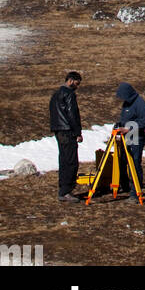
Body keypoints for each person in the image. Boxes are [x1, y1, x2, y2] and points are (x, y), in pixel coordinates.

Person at [49, 71, 83, 202]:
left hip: (58, 130)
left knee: (63, 159)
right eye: (76, 83)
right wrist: (77, 133)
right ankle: (66, 191)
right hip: (68, 131)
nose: (77, 86)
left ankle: (62, 189)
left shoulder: (56, 94)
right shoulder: (69, 94)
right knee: (71, 161)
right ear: (70, 80)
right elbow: (72, 114)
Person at [115, 82, 145, 200]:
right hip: (126, 138)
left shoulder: (140, 103)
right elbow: (125, 118)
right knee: (123, 161)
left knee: (134, 164)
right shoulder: (127, 103)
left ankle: (135, 190)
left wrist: (128, 128)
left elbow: (144, 121)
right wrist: (120, 126)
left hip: (136, 138)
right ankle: (125, 185)